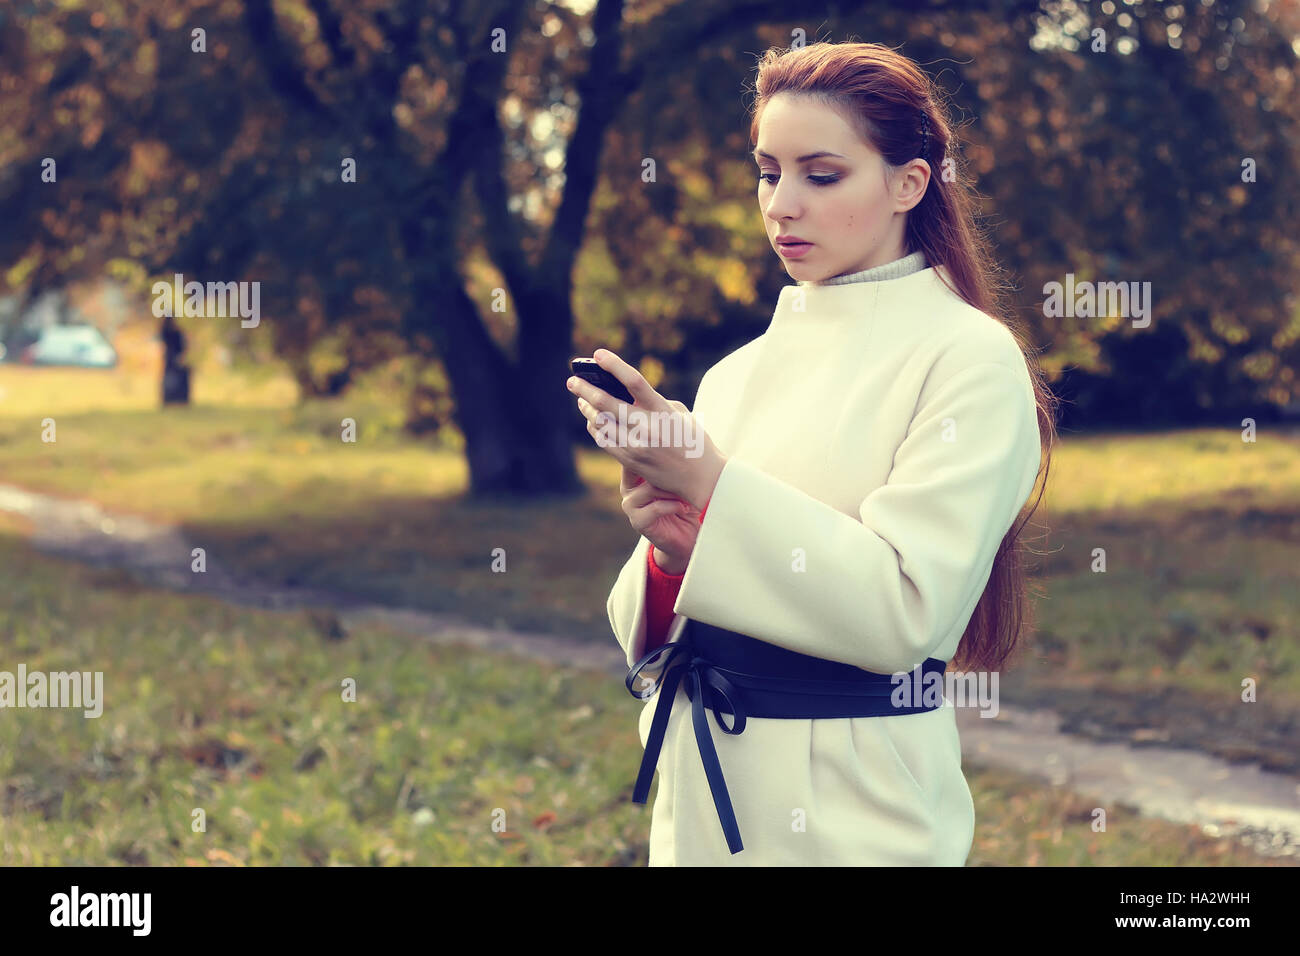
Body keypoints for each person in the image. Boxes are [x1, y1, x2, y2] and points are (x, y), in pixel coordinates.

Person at [567, 40, 1057, 866]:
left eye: (820, 175)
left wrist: (714, 487)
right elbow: (660, 638)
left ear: (909, 182)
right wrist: (668, 550)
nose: (781, 205)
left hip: (851, 806)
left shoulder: (968, 358)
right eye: (768, 172)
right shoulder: (735, 372)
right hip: (705, 788)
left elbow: (909, 610)